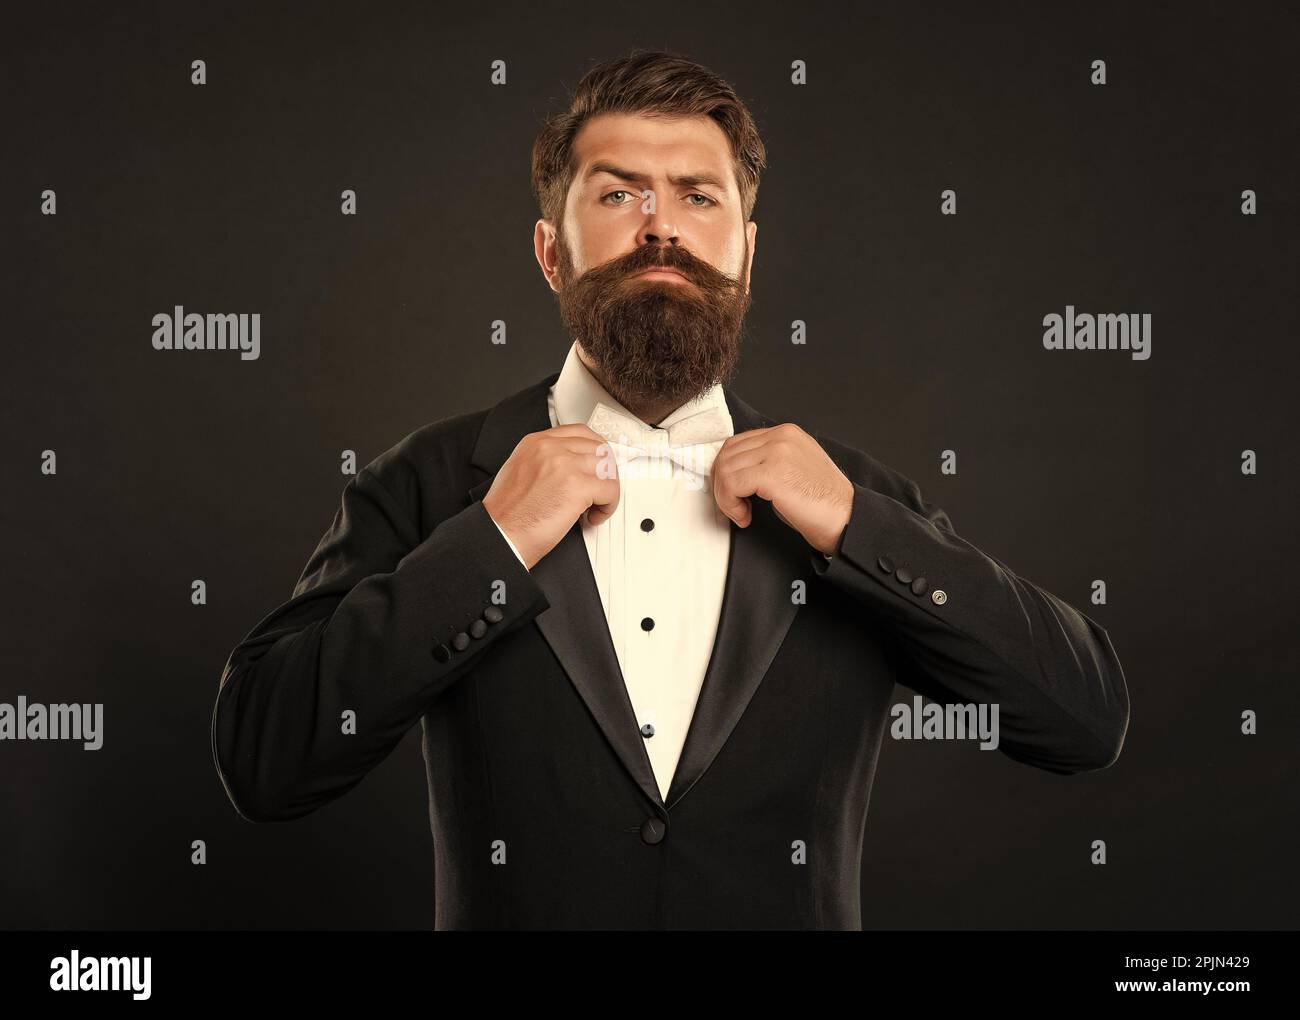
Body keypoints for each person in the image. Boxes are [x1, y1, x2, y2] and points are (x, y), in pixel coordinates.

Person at [212, 49, 1129, 929]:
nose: (662, 225)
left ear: (747, 249)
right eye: (618, 194)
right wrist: (491, 543)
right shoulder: (427, 481)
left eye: (699, 195)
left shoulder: (856, 499)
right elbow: (265, 760)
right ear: (549, 252)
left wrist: (856, 527)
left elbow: (1082, 722)